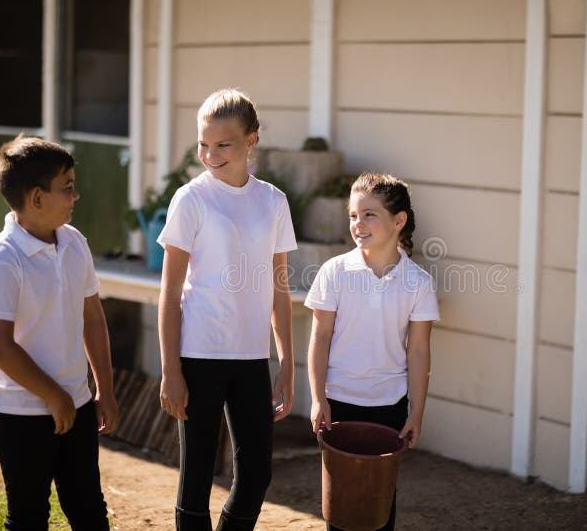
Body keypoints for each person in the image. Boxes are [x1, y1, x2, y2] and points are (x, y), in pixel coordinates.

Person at [157, 88, 297, 531]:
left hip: (251, 357)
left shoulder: (273, 201)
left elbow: (279, 289)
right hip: (198, 355)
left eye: (223, 144)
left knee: (256, 475)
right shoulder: (191, 200)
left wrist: (287, 363)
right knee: (196, 478)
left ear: (251, 141)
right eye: (203, 144)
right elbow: (170, 293)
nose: (210, 154)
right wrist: (171, 370)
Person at [0, 136, 119, 530]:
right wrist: (54, 396)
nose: (76, 196)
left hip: (78, 402)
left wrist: (104, 389)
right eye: (67, 187)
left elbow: (93, 318)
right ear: (37, 198)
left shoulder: (74, 243)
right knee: (29, 516)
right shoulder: (2, 260)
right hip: (19, 413)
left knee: (89, 511)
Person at [306, 173, 439, 531]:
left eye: (369, 215)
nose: (358, 224)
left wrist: (416, 412)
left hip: (389, 407)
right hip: (338, 404)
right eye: (353, 215)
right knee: (342, 507)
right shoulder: (334, 272)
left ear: (399, 221)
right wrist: (318, 398)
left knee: (379, 507)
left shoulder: (418, 283)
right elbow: (320, 338)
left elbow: (419, 352)